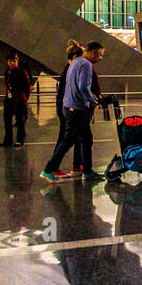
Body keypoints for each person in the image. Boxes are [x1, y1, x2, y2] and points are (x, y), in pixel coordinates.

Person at [41, 41, 105, 182]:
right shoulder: (86, 65)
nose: (100, 58)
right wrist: (95, 101)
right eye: (100, 55)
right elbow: (83, 87)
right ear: (93, 52)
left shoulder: (75, 62)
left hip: (69, 107)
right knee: (69, 140)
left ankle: (87, 171)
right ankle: (48, 169)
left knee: (86, 139)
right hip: (77, 109)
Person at [51, 42, 85, 173]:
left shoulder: (70, 68)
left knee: (77, 137)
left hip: (67, 107)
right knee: (65, 138)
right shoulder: (69, 70)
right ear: (75, 56)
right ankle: (53, 168)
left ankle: (77, 165)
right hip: (67, 109)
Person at [0, 52, 32, 146]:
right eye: (10, 61)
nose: (12, 63)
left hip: (19, 99)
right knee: (7, 120)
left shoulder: (22, 71)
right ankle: (8, 140)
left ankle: (20, 140)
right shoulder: (7, 72)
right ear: (7, 62)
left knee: (20, 120)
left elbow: (27, 86)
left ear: (17, 61)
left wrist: (25, 99)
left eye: (14, 61)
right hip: (8, 99)